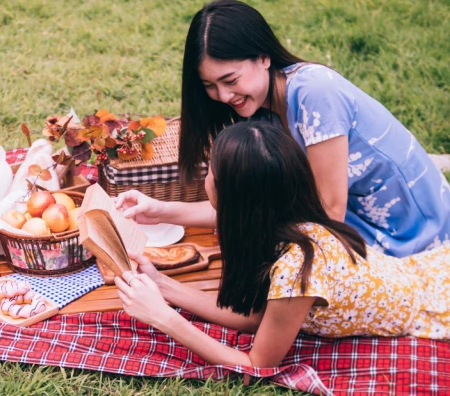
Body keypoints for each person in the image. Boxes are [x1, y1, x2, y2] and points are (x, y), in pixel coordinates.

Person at [119, 0, 450, 257]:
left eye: (230, 80)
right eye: (209, 85)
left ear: (264, 57)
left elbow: (329, 213)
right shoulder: (262, 115)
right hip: (348, 224)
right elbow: (247, 207)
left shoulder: (314, 92)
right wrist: (160, 211)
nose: (222, 96)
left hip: (411, 234)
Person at [114, 121, 450, 369]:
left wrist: (163, 319)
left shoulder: (298, 268)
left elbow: (258, 363)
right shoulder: (290, 224)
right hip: (427, 273)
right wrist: (162, 286)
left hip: (438, 308)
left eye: (212, 172)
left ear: (237, 201)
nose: (206, 178)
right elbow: (257, 316)